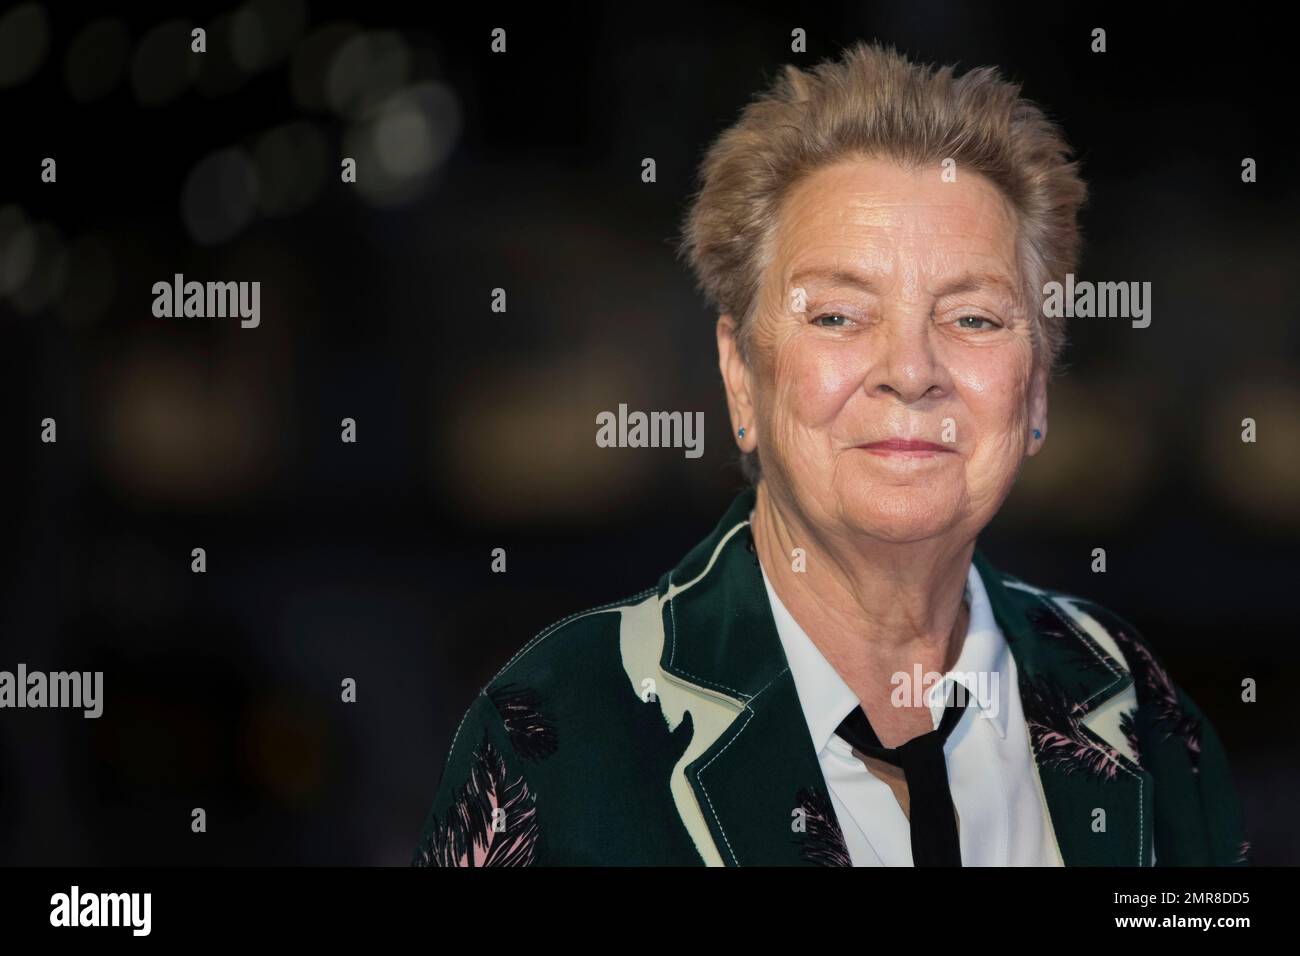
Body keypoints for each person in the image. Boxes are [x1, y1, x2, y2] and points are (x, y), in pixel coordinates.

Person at [412, 40, 1247, 866]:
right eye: (838, 316)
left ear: (1034, 391)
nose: (912, 373)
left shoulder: (1138, 710)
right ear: (741, 375)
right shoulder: (561, 734)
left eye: (975, 318)